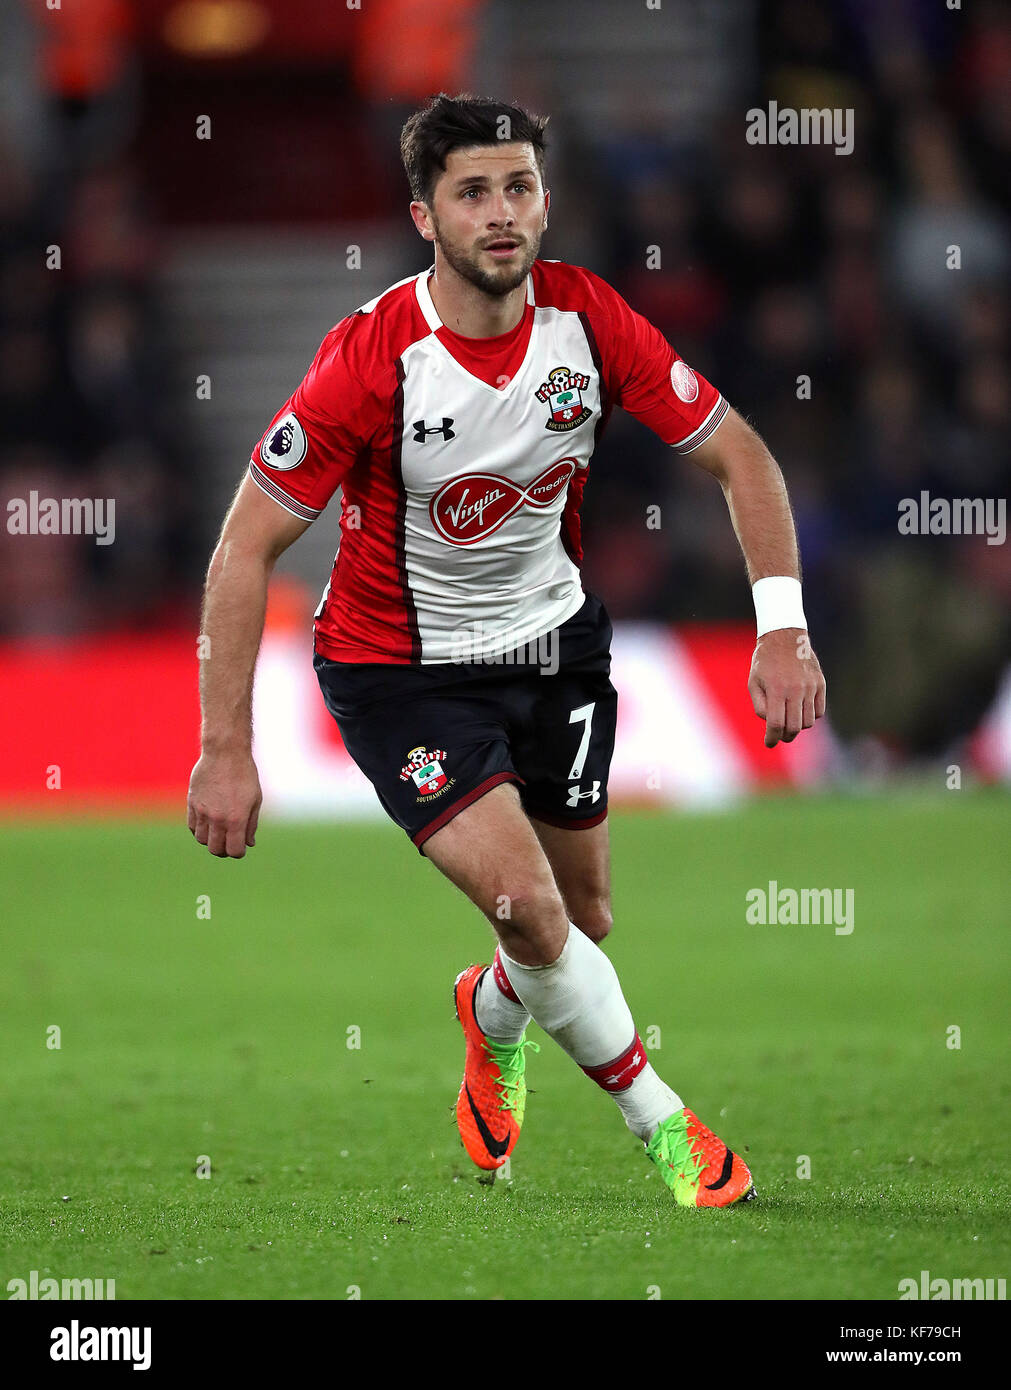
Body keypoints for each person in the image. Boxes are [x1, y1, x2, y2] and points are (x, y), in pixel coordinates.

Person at [186, 93, 826, 1208]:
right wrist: (225, 748)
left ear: (545, 199)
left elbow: (744, 458)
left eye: (519, 187)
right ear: (425, 217)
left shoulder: (592, 323)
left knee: (580, 923)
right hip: (401, 673)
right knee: (531, 909)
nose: (501, 213)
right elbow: (244, 551)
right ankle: (666, 1126)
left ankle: (489, 1013)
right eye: (472, 192)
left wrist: (781, 624)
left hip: (556, 647)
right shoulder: (370, 359)